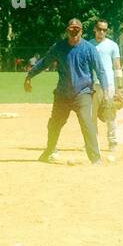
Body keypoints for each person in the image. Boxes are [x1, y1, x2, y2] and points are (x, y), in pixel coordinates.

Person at [24, 18, 103, 165]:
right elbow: (44, 62)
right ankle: (49, 150)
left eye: (77, 30)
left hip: (83, 93)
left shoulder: (89, 49)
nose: (74, 32)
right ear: (67, 31)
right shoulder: (59, 47)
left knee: (87, 122)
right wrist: (30, 76)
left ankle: (95, 158)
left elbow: (100, 70)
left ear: (81, 31)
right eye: (71, 29)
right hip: (62, 94)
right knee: (55, 124)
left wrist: (107, 90)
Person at [92, 19, 123, 162]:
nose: (102, 32)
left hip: (109, 85)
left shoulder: (112, 45)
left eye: (105, 30)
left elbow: (117, 66)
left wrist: (120, 87)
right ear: (95, 29)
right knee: (91, 116)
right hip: (92, 85)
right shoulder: (88, 45)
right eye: (100, 29)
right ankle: (93, 142)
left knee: (110, 114)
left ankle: (112, 141)